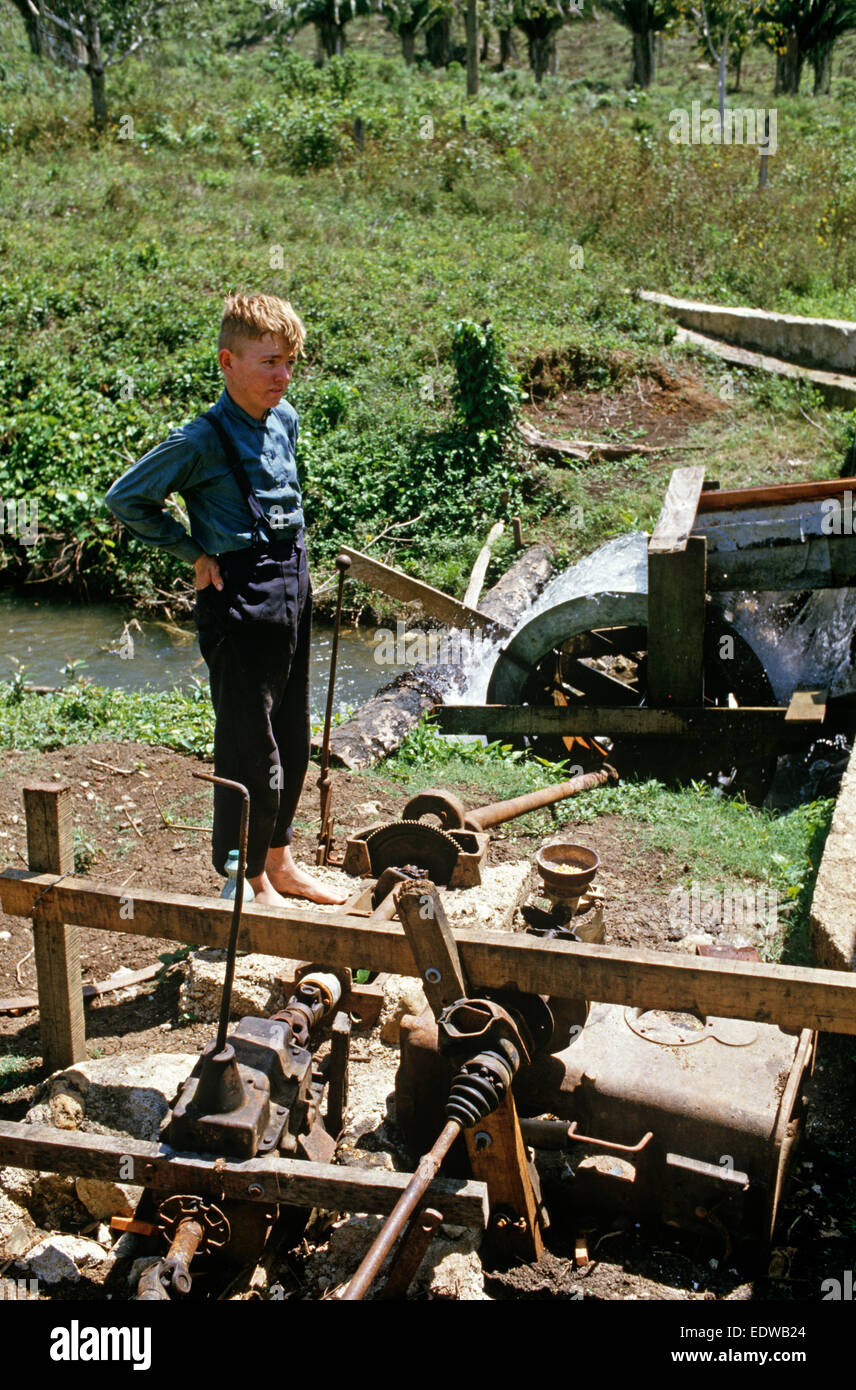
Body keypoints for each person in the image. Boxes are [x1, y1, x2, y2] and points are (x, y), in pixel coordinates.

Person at [106, 293, 346, 908]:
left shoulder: (284, 417)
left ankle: (280, 861)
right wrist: (192, 553)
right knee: (249, 743)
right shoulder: (199, 440)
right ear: (227, 362)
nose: (282, 376)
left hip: (291, 582)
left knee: (291, 733)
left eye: (290, 362)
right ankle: (244, 877)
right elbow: (127, 499)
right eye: (269, 362)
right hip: (238, 596)